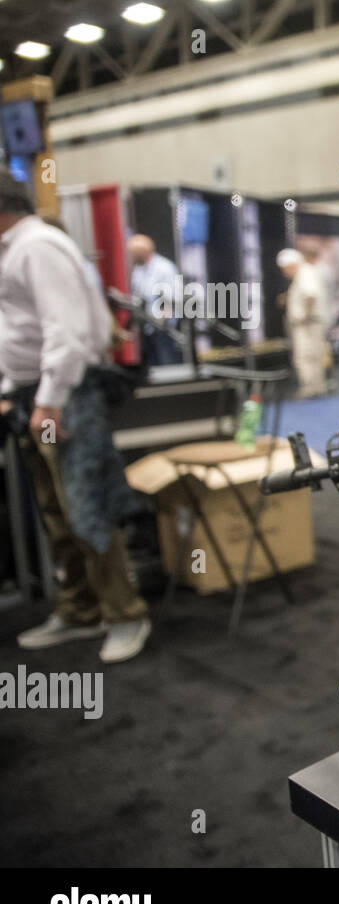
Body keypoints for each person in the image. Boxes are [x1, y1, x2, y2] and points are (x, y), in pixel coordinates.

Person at [0, 170, 152, 663]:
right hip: (36, 397)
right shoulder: (15, 249)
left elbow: (65, 333)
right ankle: (81, 610)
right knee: (56, 512)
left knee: (84, 507)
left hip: (62, 399)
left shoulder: (37, 247)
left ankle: (125, 613)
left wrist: (48, 401)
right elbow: (18, 332)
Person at [278, 248, 329, 399]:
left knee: (304, 356)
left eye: (284, 269)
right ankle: (317, 387)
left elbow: (310, 295)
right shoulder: (305, 273)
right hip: (311, 322)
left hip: (307, 324)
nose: (284, 273)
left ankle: (310, 388)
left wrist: (306, 315)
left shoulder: (305, 272)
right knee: (314, 355)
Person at [128, 233, 183, 367]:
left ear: (142, 252)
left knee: (168, 366)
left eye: (133, 253)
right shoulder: (137, 270)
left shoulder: (164, 268)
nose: (131, 256)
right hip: (146, 328)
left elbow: (174, 295)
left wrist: (164, 318)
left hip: (163, 329)